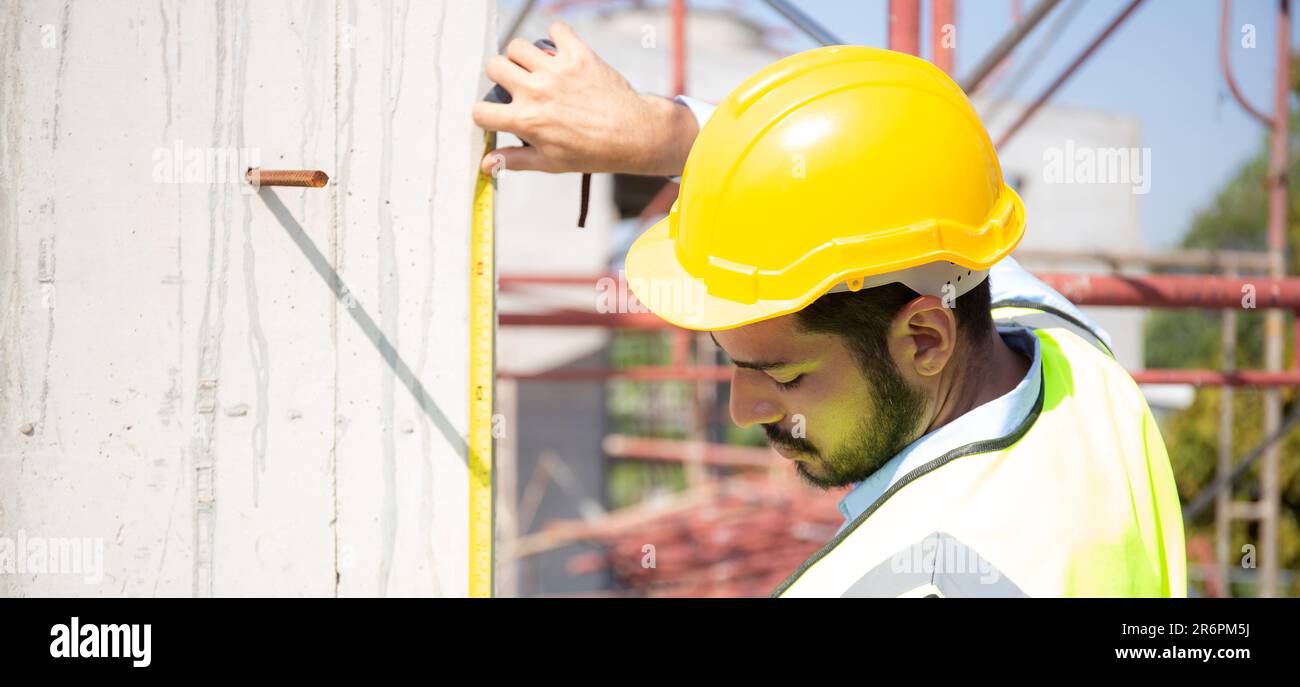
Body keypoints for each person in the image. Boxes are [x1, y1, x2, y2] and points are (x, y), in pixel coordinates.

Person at [474, 23, 1186, 598]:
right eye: (731, 363)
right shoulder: (1078, 366)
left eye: (782, 376)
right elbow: (910, 198)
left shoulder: (905, 580)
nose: (742, 408)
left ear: (926, 338)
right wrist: (667, 132)